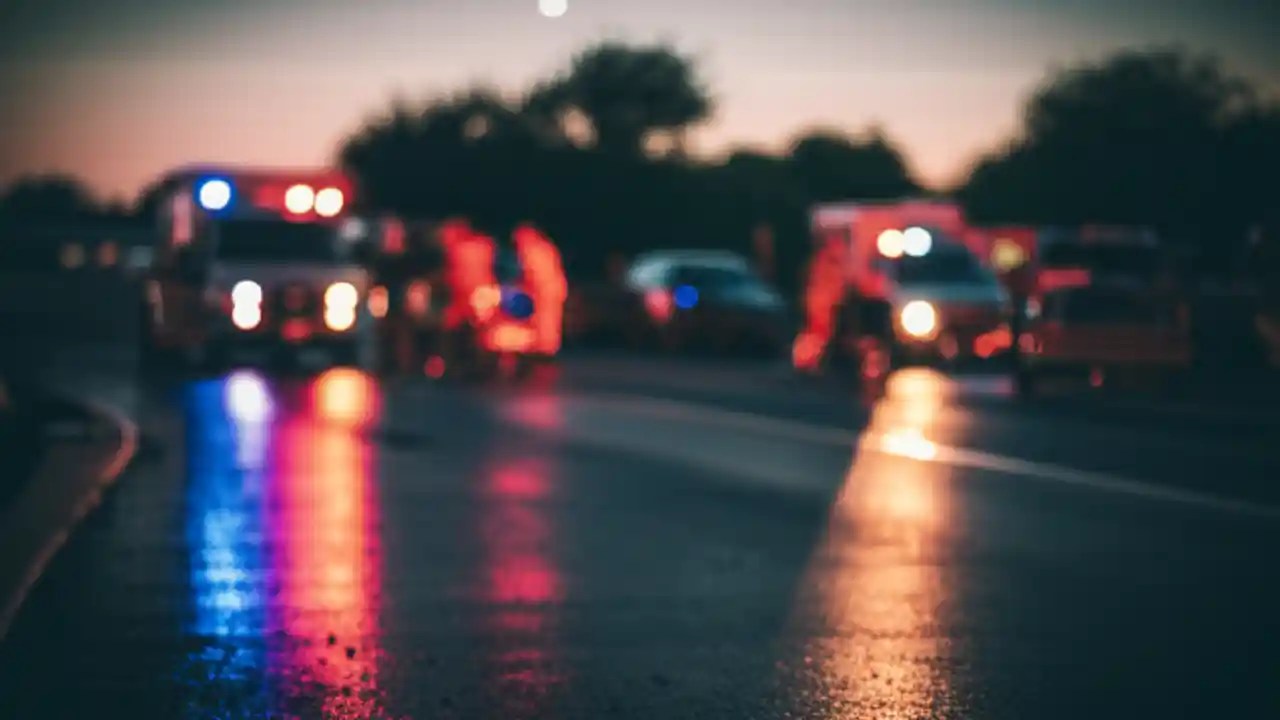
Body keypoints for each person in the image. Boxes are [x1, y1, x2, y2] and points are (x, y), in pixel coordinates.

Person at [513, 222, 567, 359]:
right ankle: (545, 348)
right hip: (549, 289)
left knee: (546, 320)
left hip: (545, 290)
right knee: (546, 320)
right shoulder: (544, 248)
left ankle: (545, 350)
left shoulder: (534, 250)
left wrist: (522, 286)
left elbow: (532, 273)